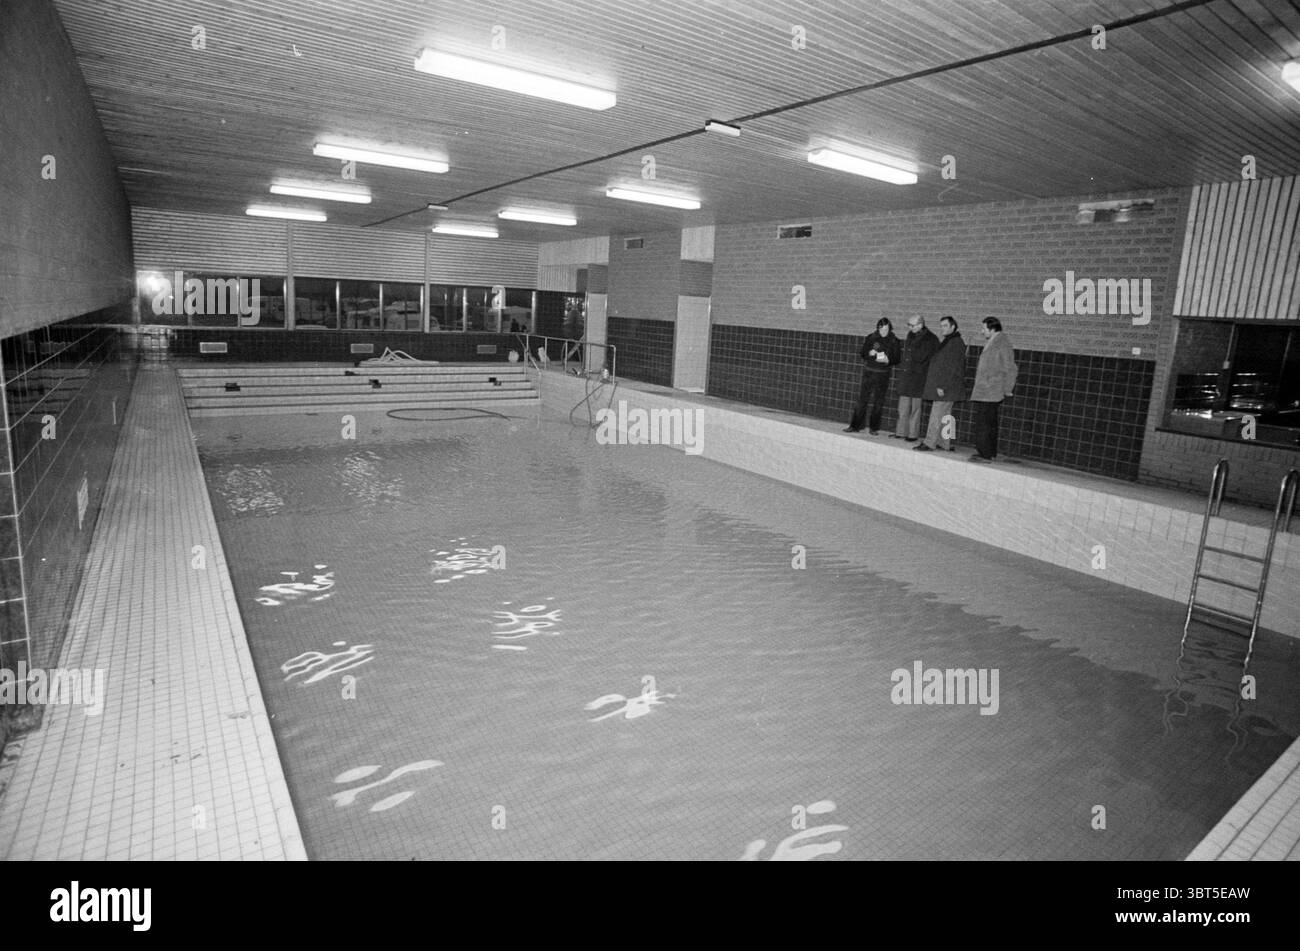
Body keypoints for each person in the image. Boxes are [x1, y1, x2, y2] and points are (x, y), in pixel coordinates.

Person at [968, 316, 1018, 462]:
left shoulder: (1002, 343)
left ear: (992, 328)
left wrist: (1007, 388)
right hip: (987, 389)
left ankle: (985, 453)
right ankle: (988, 451)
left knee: (985, 423)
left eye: (984, 328)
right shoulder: (994, 341)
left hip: (991, 390)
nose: (982, 331)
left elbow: (1011, 368)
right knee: (988, 422)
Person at [914, 316, 966, 452]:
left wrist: (943, 385)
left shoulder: (955, 343)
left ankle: (929, 442)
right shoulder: (951, 341)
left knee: (936, 414)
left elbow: (952, 367)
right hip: (951, 386)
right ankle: (945, 443)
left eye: (945, 326)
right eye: (941, 325)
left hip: (946, 386)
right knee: (947, 416)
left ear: (953, 327)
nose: (942, 328)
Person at [844, 318, 900, 435]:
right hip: (869, 372)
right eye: (881, 329)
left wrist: (888, 360)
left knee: (878, 402)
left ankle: (874, 428)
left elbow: (897, 358)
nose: (883, 332)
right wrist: (869, 353)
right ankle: (855, 425)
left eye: (886, 329)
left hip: (883, 374)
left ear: (890, 329)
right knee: (862, 400)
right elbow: (862, 353)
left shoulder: (894, 340)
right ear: (877, 328)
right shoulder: (871, 337)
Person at [891, 315, 939, 442]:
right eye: (909, 325)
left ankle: (912, 434)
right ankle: (901, 431)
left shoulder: (930, 338)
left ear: (920, 324)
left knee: (915, 409)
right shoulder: (911, 335)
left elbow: (921, 357)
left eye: (912, 325)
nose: (910, 328)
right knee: (903, 407)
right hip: (907, 376)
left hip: (919, 377)